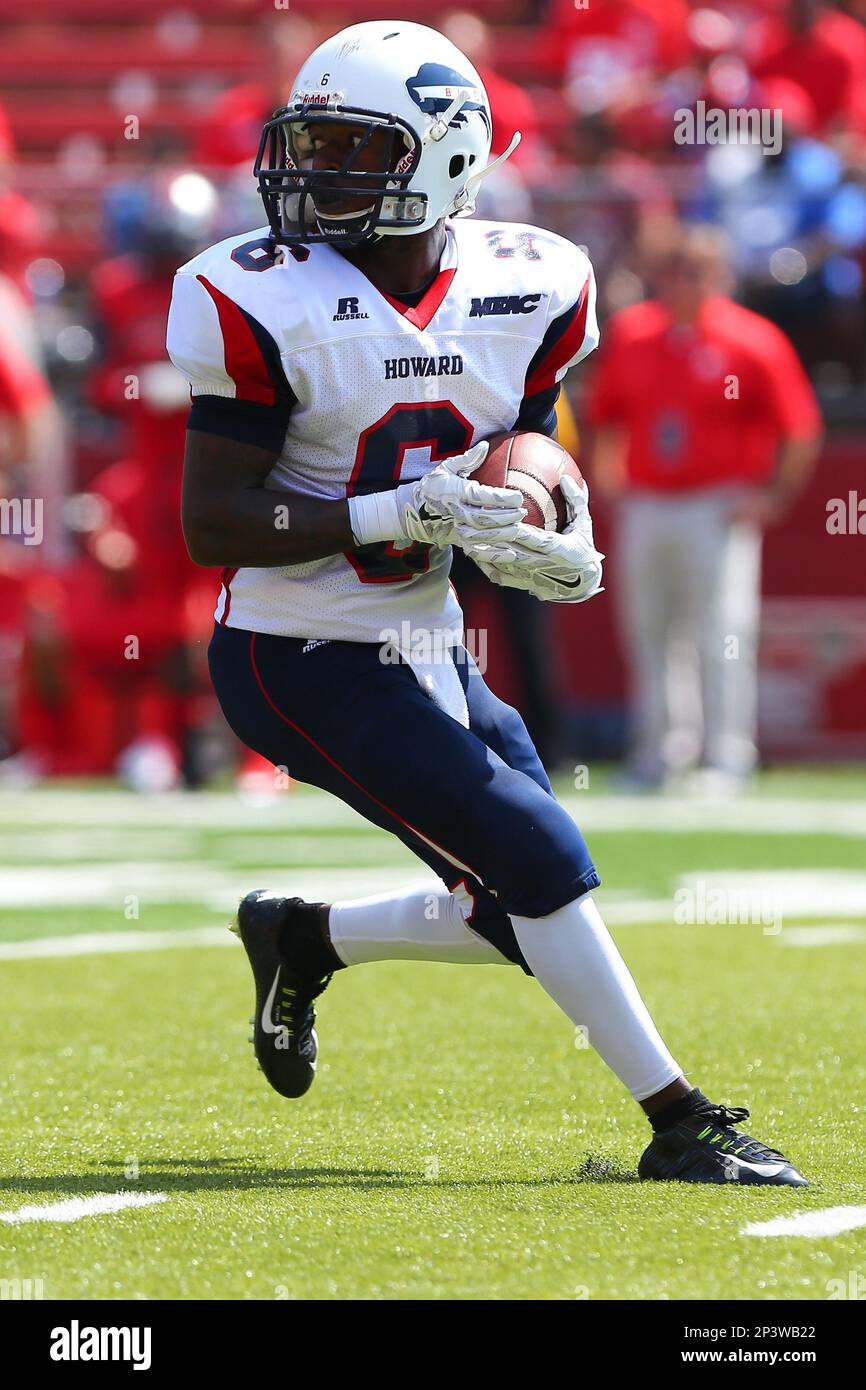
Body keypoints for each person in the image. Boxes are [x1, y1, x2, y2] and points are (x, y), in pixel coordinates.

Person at [167, 20, 806, 1186]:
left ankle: (302, 936)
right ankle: (678, 1120)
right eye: (308, 142)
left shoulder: (533, 278)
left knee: (515, 897)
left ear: (442, 159)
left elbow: (523, 435)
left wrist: (549, 519)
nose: (313, 174)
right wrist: (398, 513)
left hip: (422, 639)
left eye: (354, 151)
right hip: (291, 649)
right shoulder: (258, 294)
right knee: (536, 853)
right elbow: (211, 521)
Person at [586, 224, 822, 791]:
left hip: (717, 503)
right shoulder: (635, 333)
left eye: (696, 270)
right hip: (648, 501)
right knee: (650, 629)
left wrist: (773, 496)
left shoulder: (752, 341)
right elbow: (603, 414)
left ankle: (726, 756)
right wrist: (608, 476)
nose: (683, 282)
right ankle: (660, 753)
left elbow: (800, 427)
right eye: (674, 269)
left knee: (722, 631)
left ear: (719, 276)